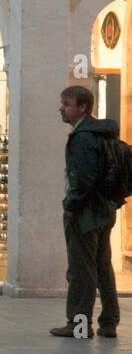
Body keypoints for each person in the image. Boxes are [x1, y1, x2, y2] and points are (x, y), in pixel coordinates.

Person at [52, 86, 121, 338]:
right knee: (103, 266)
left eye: (67, 104)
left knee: (81, 270)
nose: (61, 108)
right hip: (105, 210)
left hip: (86, 214)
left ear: (82, 108)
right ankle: (109, 322)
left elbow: (83, 179)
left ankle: (78, 326)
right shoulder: (102, 133)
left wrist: (71, 206)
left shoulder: (82, 137)